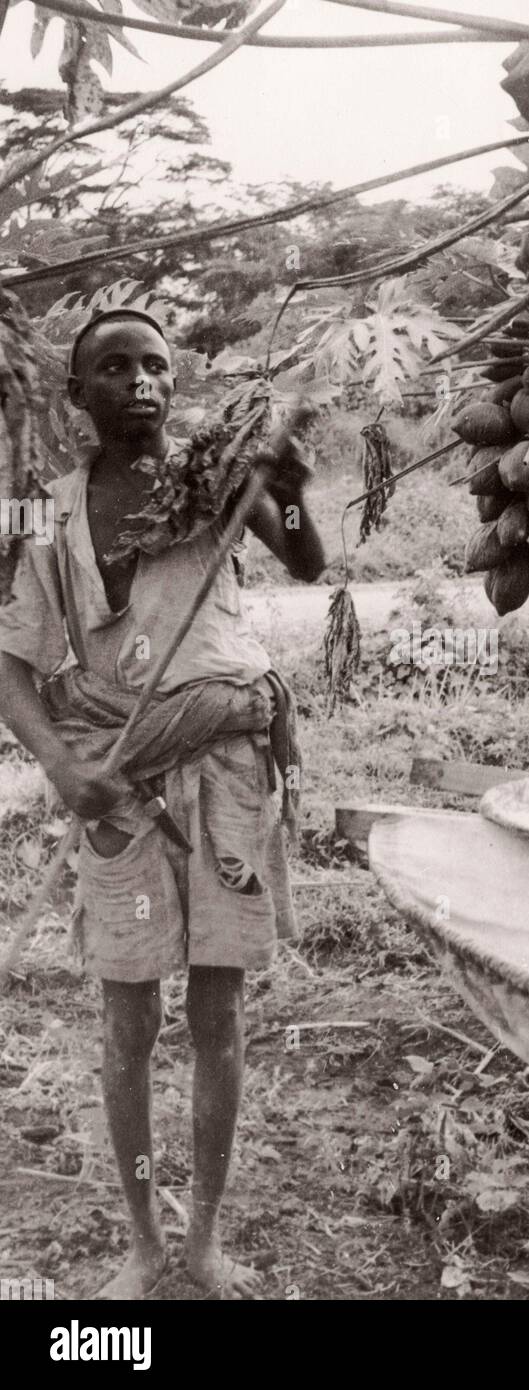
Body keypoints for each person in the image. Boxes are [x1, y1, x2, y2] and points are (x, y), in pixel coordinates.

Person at [0, 309, 325, 1299]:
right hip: (120, 777)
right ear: (77, 394)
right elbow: (10, 661)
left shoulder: (216, 479)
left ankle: (205, 1243)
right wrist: (62, 767)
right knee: (128, 1019)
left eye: (155, 366)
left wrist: (287, 485)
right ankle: (144, 1243)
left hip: (226, 767)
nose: (140, 380)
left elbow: (309, 561)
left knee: (218, 1010)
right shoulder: (44, 511)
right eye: (114, 367)